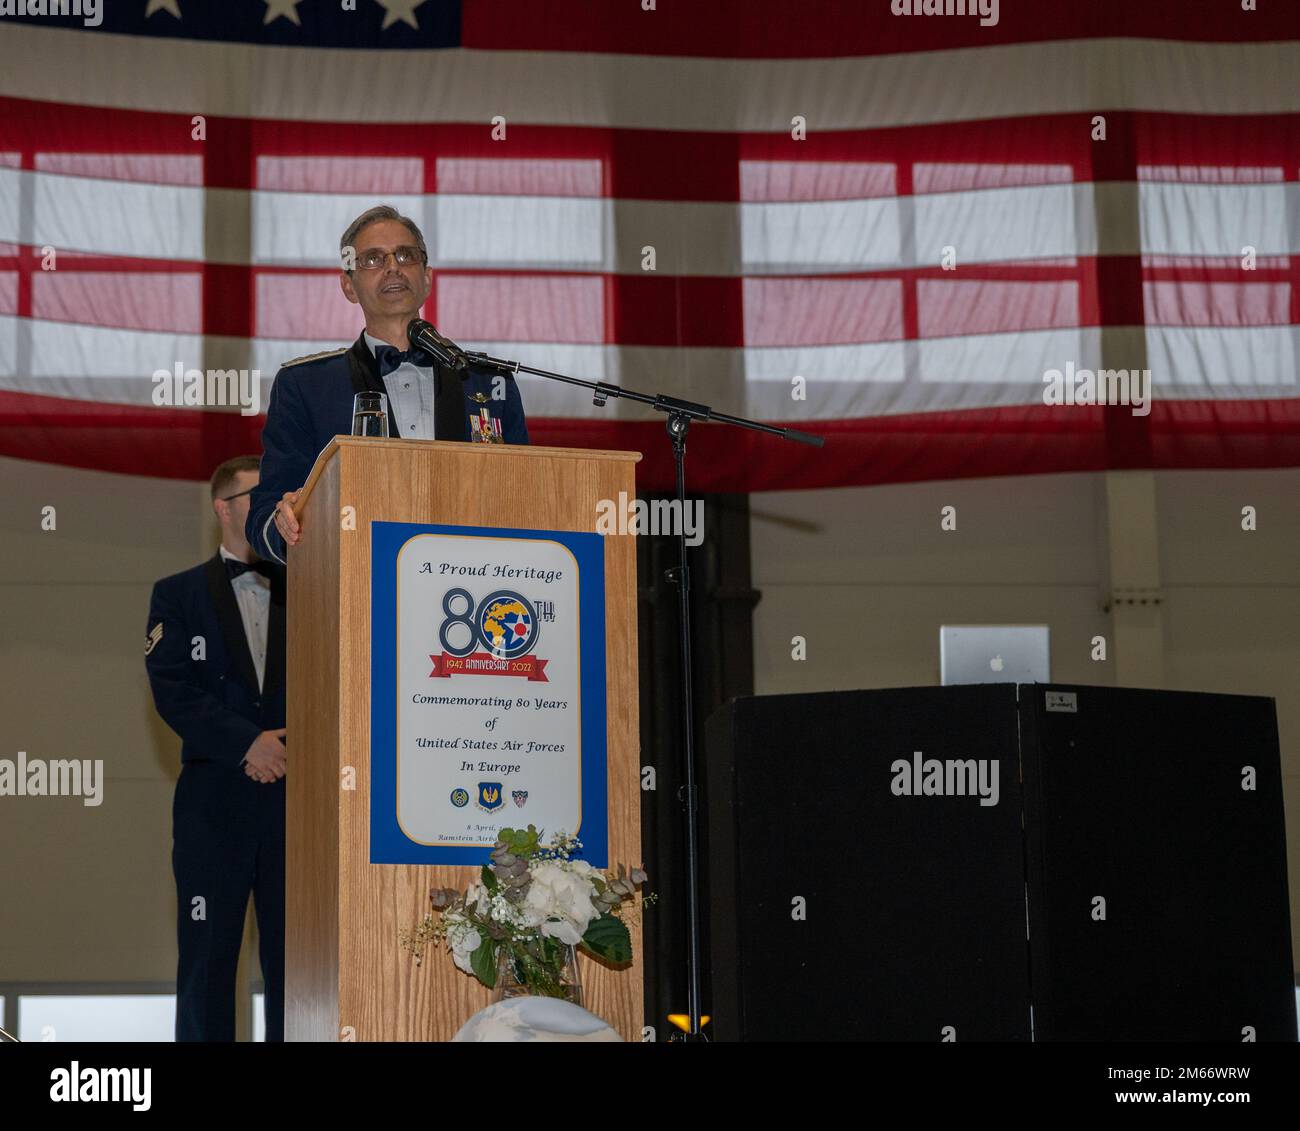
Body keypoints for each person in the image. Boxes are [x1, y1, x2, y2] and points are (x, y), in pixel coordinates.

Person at [247, 203, 529, 562]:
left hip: (474, 580)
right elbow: (265, 518)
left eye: (405, 255)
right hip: (359, 585)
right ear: (348, 286)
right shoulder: (305, 386)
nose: (393, 267)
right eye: (373, 259)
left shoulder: (489, 381)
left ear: (427, 277)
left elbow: (526, 495)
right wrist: (287, 521)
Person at [145, 456, 286, 1042]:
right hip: (212, 808)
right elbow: (172, 689)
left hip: (294, 807)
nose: (271, 505)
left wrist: (285, 748)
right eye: (258, 495)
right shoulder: (176, 595)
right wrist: (247, 743)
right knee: (207, 960)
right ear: (222, 508)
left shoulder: (315, 588)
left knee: (298, 963)